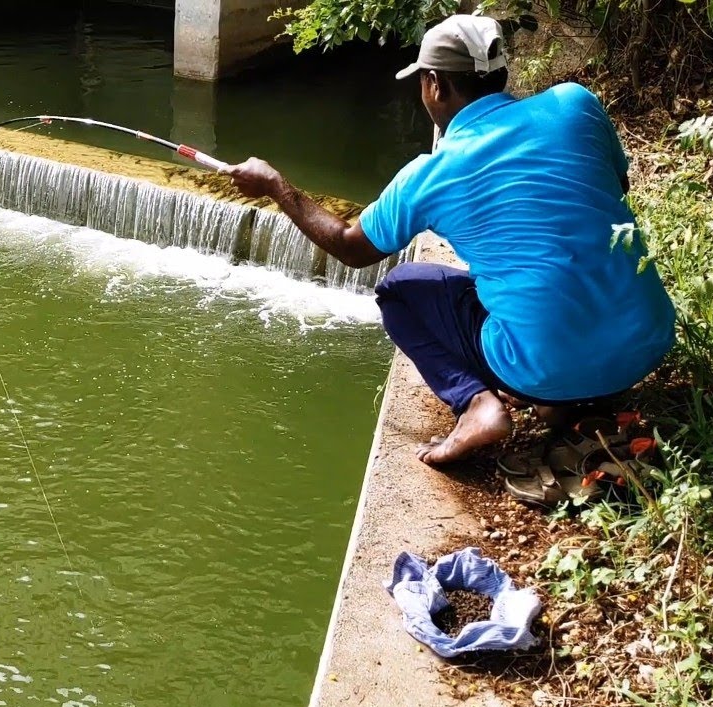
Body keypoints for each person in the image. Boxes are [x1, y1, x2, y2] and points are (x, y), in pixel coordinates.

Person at [224, 14, 675, 466]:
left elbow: (350, 245)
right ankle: (566, 399)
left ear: (436, 85)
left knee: (399, 291)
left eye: (421, 82)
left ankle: (477, 405)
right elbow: (616, 187)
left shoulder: (428, 176)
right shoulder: (576, 105)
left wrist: (275, 186)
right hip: (644, 343)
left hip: (540, 369)